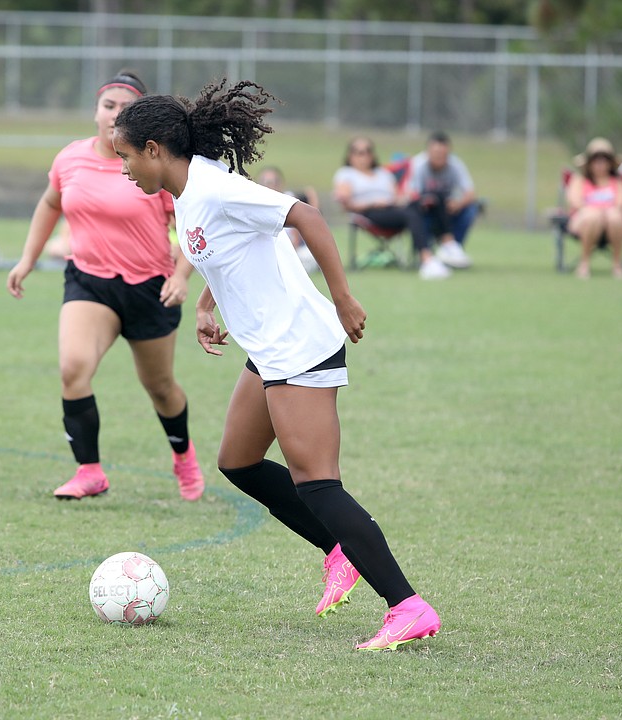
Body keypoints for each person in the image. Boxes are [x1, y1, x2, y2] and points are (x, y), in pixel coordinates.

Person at [112, 79, 440, 651]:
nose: (123, 168)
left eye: (126, 156)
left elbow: (305, 217)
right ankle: (340, 552)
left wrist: (343, 297)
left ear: (155, 149)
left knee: (317, 484)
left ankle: (407, 605)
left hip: (299, 344)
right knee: (238, 461)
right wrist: (210, 305)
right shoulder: (190, 195)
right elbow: (224, 250)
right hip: (268, 347)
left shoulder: (213, 188)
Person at [6, 70, 204, 502]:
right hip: (89, 282)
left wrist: (180, 274)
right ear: (96, 111)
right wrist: (28, 258)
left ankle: (183, 455)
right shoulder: (70, 159)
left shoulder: (154, 162)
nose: (114, 114)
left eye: (125, 107)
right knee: (73, 368)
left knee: (160, 387)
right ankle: (89, 471)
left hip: (150, 287)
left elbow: (193, 223)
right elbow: (49, 204)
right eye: (108, 105)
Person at [332, 137, 451, 280]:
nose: (364, 156)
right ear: (350, 156)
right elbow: (347, 203)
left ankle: (448, 245)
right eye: (359, 152)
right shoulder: (346, 174)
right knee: (411, 214)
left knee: (431, 199)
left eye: (368, 151)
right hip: (370, 212)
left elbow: (397, 195)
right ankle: (427, 259)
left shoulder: (383, 173)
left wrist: (405, 198)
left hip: (394, 208)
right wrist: (374, 203)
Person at [406, 131, 478, 269]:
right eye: (435, 153)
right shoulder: (418, 164)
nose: (439, 157)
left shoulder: (455, 165)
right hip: (425, 211)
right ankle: (434, 253)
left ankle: (452, 248)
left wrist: (459, 203)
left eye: (443, 154)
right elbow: (412, 194)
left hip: (447, 208)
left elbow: (470, 192)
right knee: (430, 202)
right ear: (428, 152)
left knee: (470, 209)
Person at [566, 137, 622, 279]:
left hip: (612, 221)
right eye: (596, 160)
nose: (600, 164)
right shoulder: (580, 180)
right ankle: (584, 263)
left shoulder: (617, 182)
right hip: (585, 220)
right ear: (589, 163)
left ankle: (617, 264)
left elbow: (621, 203)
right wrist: (597, 211)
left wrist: (606, 212)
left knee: (614, 216)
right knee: (592, 216)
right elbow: (576, 202)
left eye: (604, 160)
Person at [255, 165, 320, 273]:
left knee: (308, 256)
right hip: (266, 252)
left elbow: (297, 234)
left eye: (271, 182)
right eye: (264, 182)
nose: (268, 186)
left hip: (292, 251)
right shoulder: (255, 203)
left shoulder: (288, 200)